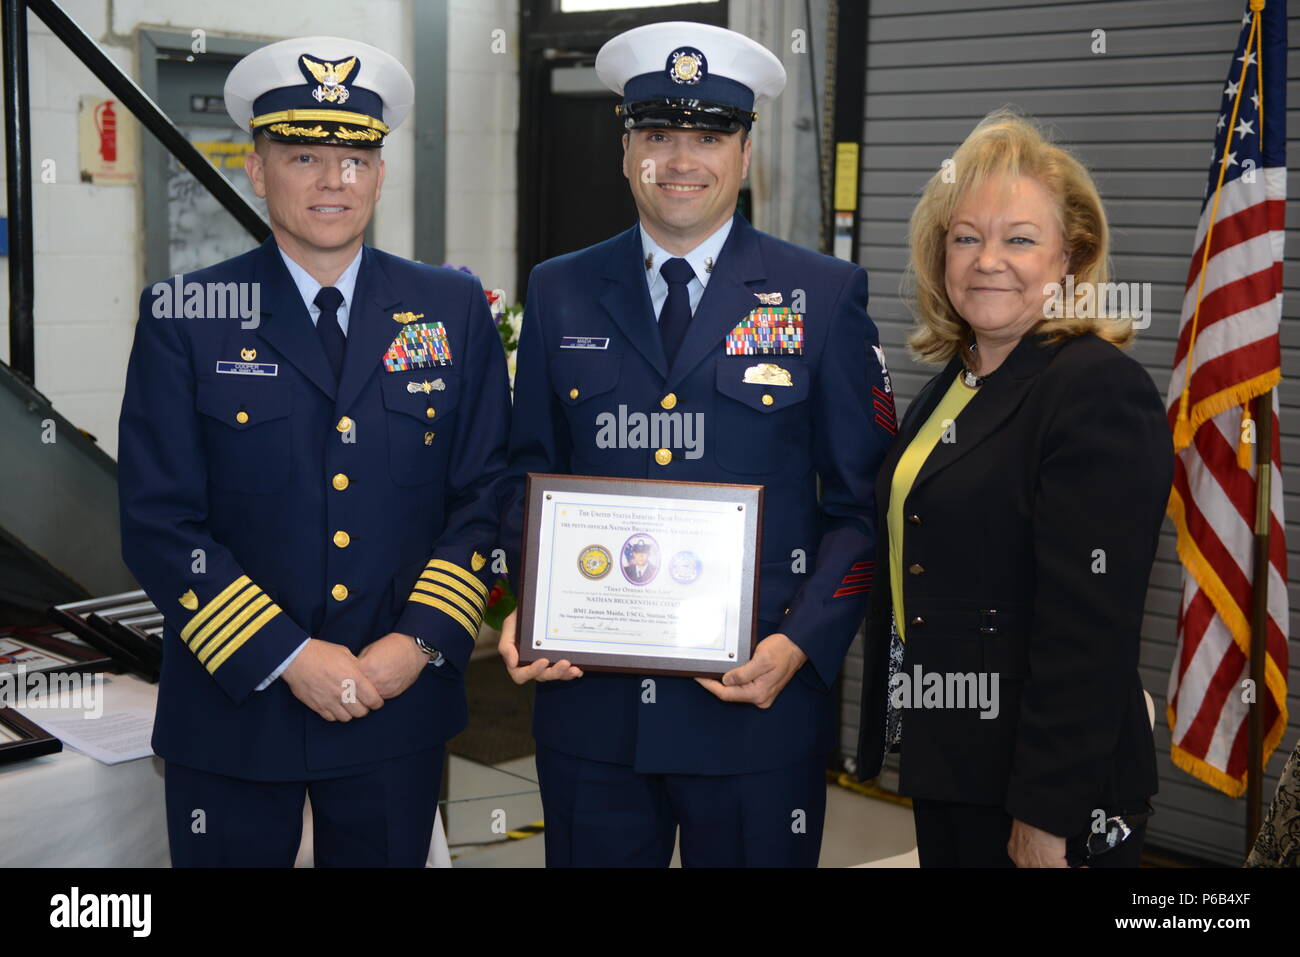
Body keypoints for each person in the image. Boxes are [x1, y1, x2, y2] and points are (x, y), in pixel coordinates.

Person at [498, 21, 894, 867]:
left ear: (746, 153)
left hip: (755, 705)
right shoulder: (559, 289)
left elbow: (860, 508)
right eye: (658, 134)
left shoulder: (823, 297)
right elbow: (522, 470)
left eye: (708, 136)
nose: (680, 159)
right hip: (592, 710)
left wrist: (801, 643)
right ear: (627, 150)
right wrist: (528, 601)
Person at [117, 36, 511, 866]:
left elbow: (486, 494)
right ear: (257, 170)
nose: (336, 181)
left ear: (380, 171)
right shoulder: (187, 314)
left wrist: (421, 640)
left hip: (395, 701)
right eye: (305, 156)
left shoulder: (452, 309)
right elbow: (160, 522)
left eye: (358, 158)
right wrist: (287, 655)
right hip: (236, 709)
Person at [855, 109, 1173, 868]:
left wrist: (1046, 813)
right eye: (966, 236)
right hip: (954, 761)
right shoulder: (956, 384)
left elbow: (1086, 631)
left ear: (1071, 258)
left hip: (1042, 794)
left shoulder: (1097, 390)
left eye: (1019, 238)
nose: (988, 259)